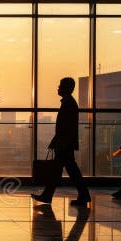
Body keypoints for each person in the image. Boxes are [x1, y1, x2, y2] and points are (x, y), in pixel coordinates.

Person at [32, 77, 91, 207]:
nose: (58, 88)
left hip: (64, 143)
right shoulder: (69, 103)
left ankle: (49, 195)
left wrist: (58, 140)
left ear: (66, 88)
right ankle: (50, 195)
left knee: (63, 170)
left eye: (60, 85)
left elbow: (65, 127)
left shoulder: (68, 104)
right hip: (66, 142)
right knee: (63, 169)